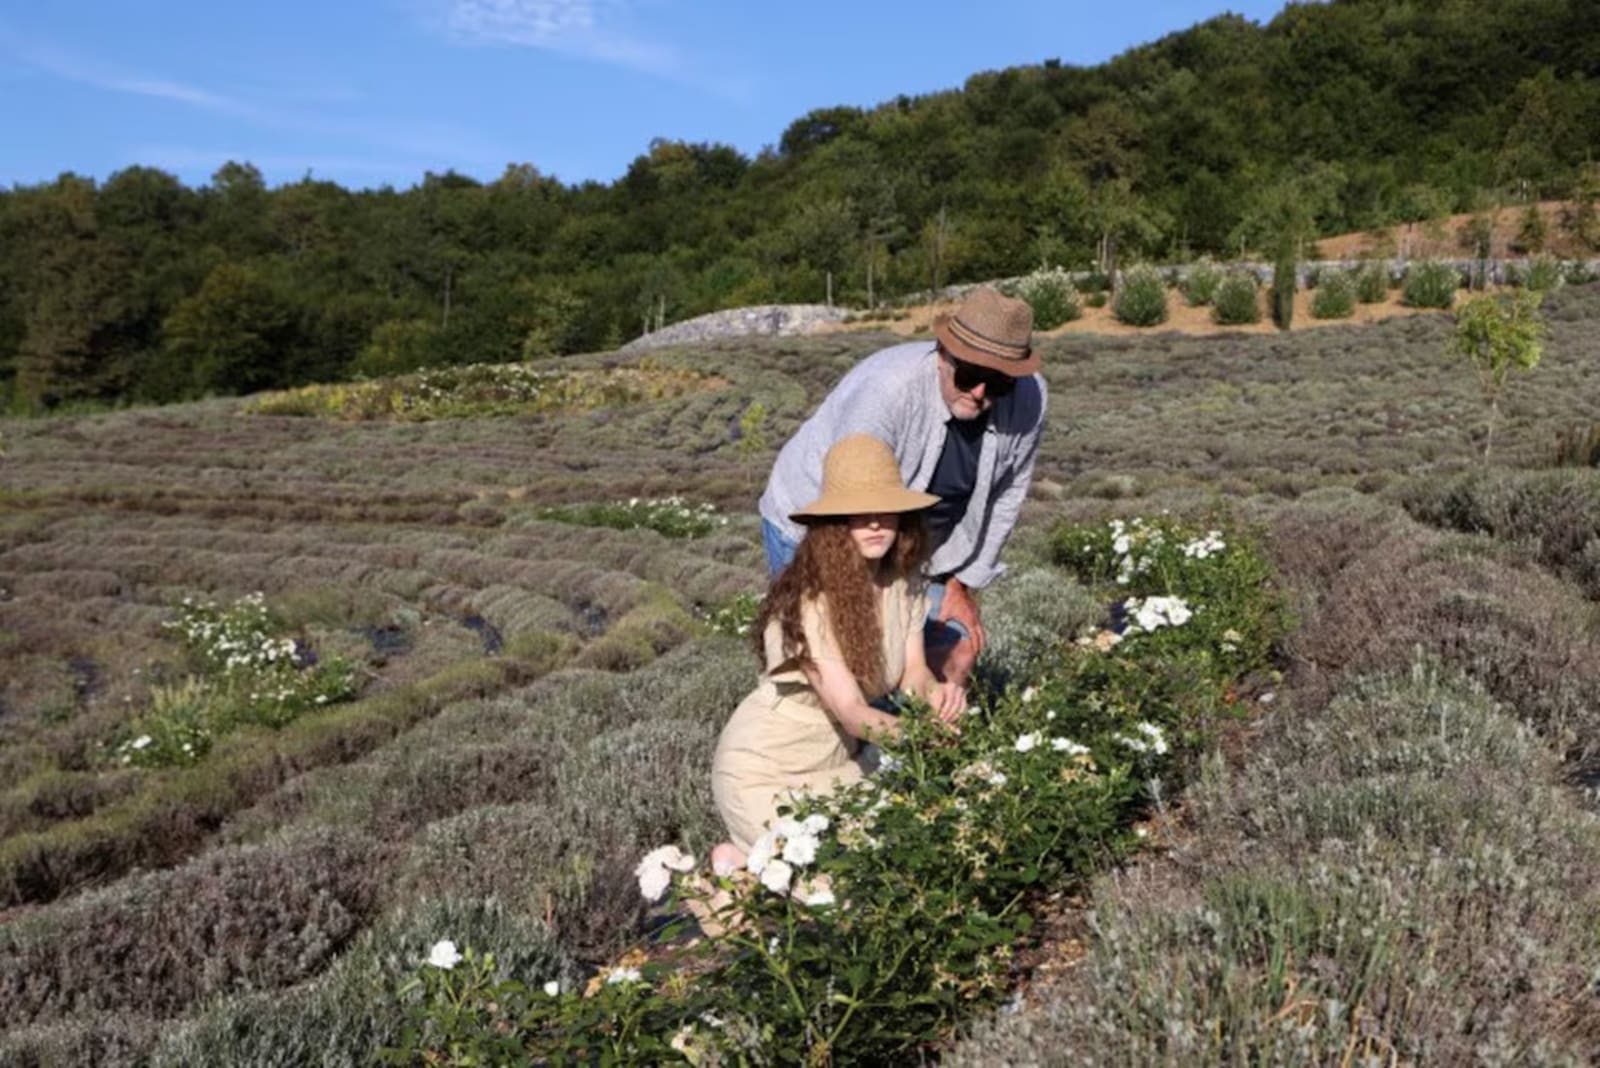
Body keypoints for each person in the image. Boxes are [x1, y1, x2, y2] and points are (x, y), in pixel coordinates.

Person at [758, 286, 1046, 685]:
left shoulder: (1030, 398)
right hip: (825, 527)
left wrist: (962, 585)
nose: (980, 394)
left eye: (998, 384)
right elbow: (847, 512)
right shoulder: (886, 392)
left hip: (914, 546)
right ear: (943, 357)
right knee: (845, 664)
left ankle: (926, 741)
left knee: (956, 648)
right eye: (970, 376)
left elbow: (1007, 496)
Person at [711, 434, 966, 864]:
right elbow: (852, 711)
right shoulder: (811, 602)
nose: (874, 523)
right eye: (858, 512)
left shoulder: (902, 584)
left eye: (884, 510)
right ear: (835, 523)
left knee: (871, 871)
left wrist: (937, 698)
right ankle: (730, 872)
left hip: (839, 764)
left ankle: (734, 865)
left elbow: (913, 674)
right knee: (833, 888)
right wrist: (921, 736)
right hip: (766, 770)